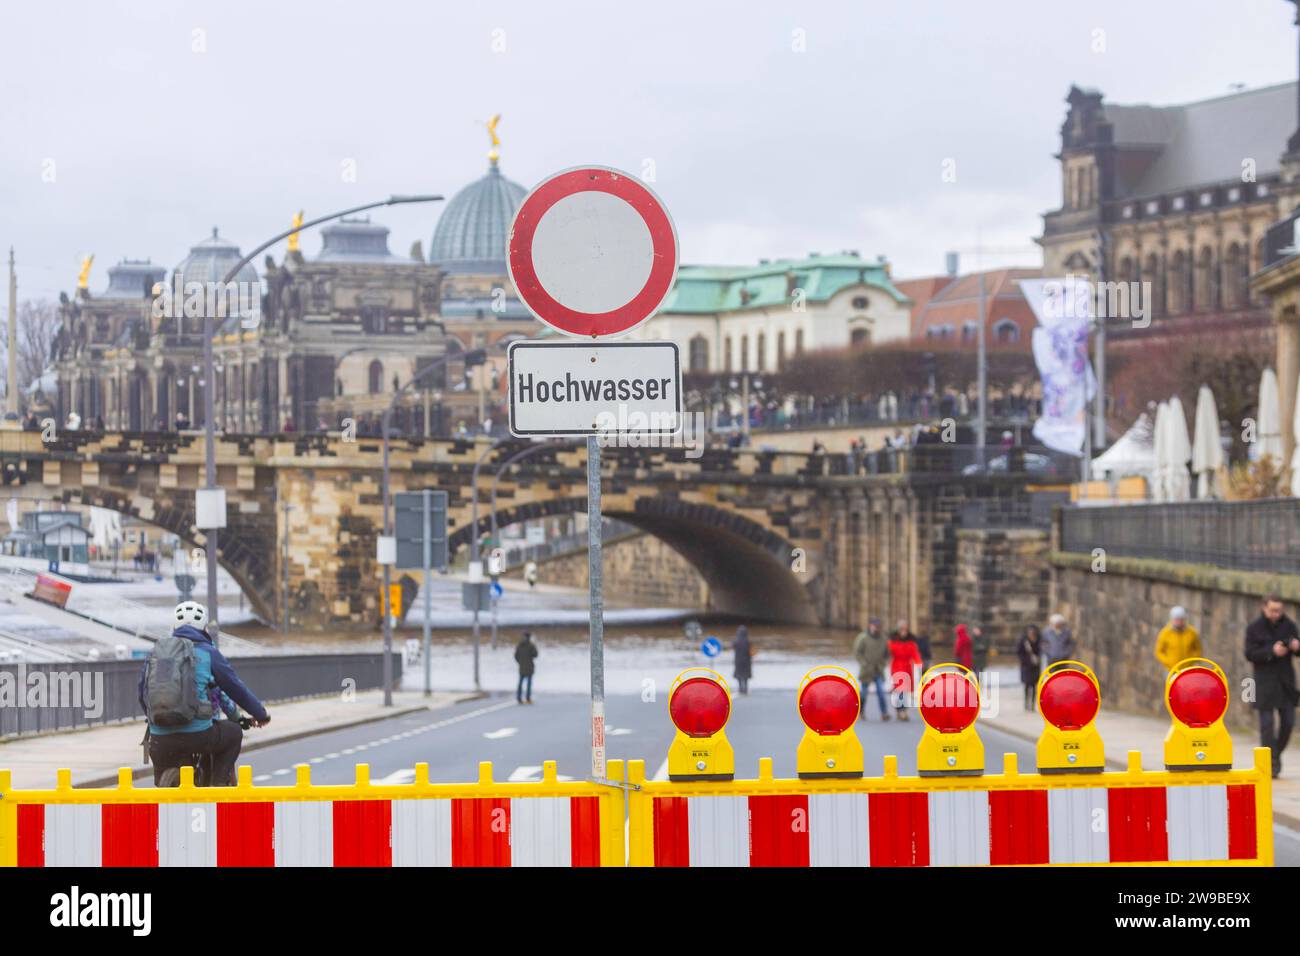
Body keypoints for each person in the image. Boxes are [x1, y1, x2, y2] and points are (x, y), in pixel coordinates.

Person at [139, 601, 270, 786]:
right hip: (198, 734)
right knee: (233, 733)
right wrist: (260, 714)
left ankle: (164, 791)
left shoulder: (156, 653)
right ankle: (216, 786)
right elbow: (234, 687)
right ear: (204, 627)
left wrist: (158, 719)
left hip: (159, 738)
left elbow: (142, 693)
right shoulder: (209, 653)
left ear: (174, 627)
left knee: (162, 780)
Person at [1244, 596, 1300, 778]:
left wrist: (1296, 647)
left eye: (1279, 610)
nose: (1276, 614)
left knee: (1288, 723)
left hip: (1285, 683)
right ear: (1264, 608)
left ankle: (1274, 755)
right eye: (1273, 610)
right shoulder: (1254, 628)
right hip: (1264, 683)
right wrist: (1271, 652)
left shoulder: (1289, 625)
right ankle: (1271, 764)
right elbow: (1250, 654)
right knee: (1267, 726)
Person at [852, 618, 890, 721]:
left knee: (881, 692)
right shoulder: (863, 638)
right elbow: (857, 653)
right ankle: (861, 712)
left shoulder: (884, 639)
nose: (876, 628)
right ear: (870, 626)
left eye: (878, 626)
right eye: (874, 625)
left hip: (878, 670)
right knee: (863, 693)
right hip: (866, 670)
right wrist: (864, 663)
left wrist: (883, 664)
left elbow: (887, 654)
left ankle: (884, 713)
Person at [887, 626, 922, 720]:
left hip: (907, 668)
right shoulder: (893, 643)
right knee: (900, 690)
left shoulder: (911, 644)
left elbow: (915, 655)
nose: (903, 633)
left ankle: (902, 710)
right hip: (896, 667)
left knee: (905, 692)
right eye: (902, 631)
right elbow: (887, 653)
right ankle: (901, 711)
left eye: (905, 631)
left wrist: (919, 665)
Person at [1155, 605, 1202, 670]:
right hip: (1171, 669)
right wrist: (1168, 662)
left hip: (1188, 668)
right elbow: (1159, 651)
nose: (1179, 622)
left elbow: (1198, 648)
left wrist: (1193, 660)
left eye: (1181, 619)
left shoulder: (1192, 632)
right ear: (1172, 619)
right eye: (1176, 619)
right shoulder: (1165, 633)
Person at [1017, 625, 1042, 711]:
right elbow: (1019, 652)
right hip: (1026, 667)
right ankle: (1026, 703)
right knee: (1027, 685)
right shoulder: (1024, 641)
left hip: (1035, 666)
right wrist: (1025, 660)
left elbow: (1041, 651)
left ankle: (1032, 704)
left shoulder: (1038, 640)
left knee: (1034, 686)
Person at [514, 631, 538, 704]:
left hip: (522, 667)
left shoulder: (519, 645)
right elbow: (535, 654)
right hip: (529, 667)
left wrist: (520, 662)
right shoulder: (531, 645)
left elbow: (516, 656)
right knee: (528, 684)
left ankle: (519, 698)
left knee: (520, 683)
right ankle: (528, 698)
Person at [733, 625, 753, 695]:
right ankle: (745, 689)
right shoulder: (748, 642)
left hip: (738, 661)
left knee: (739, 675)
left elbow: (733, 647)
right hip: (747, 662)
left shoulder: (736, 642)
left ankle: (740, 688)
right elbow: (751, 652)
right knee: (746, 676)